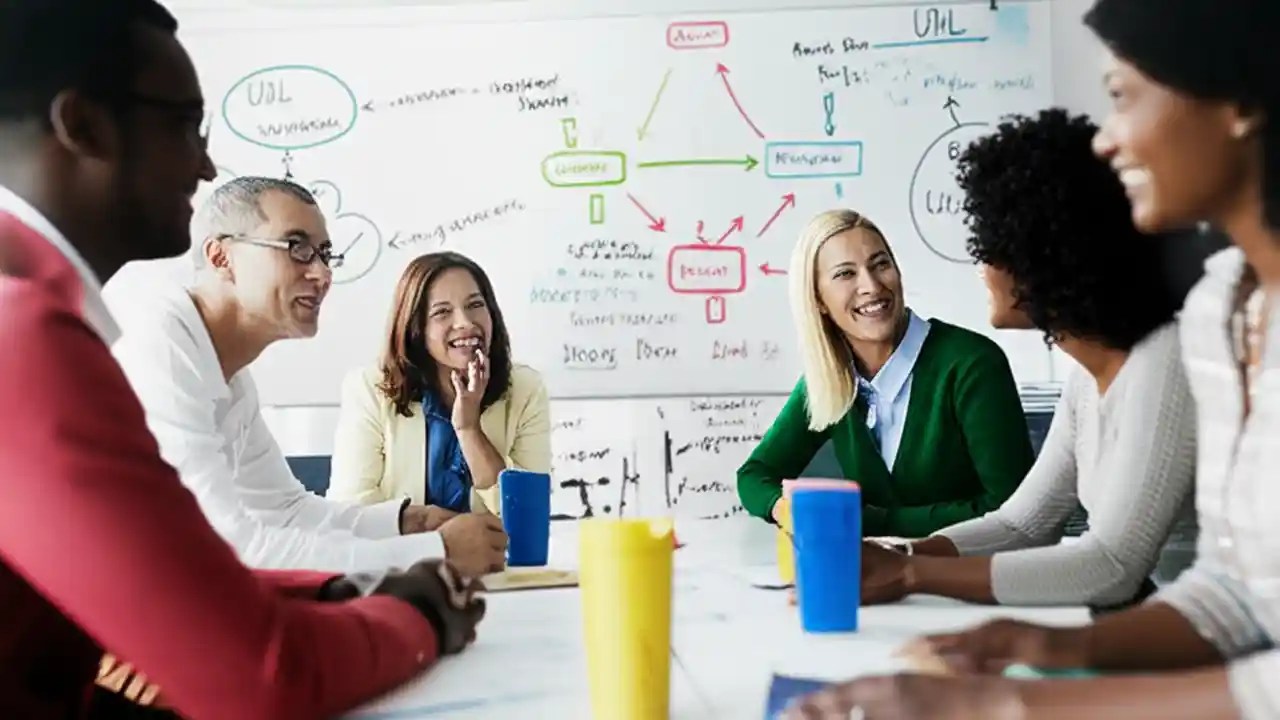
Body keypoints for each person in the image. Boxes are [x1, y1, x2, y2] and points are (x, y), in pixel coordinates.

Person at [785, 0, 1280, 717]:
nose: (1107, 142)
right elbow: (1237, 599)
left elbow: (1115, 567)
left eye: (1121, 98)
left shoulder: (1169, 351)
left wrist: (1004, 701)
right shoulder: (1221, 309)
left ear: (1236, 103)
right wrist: (1040, 646)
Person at [0, 2, 483, 718]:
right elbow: (260, 673)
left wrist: (405, 535)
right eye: (181, 126)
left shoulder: (46, 312)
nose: (205, 163)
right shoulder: (28, 335)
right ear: (84, 127)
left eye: (325, 254)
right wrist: (423, 604)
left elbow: (256, 526)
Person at [858, 108, 1198, 614]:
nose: (981, 267)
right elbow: (1025, 524)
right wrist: (901, 552)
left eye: (991, 246)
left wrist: (912, 574)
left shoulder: (1164, 360)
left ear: (1043, 255)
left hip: (1200, 642)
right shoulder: (1088, 373)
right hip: (1140, 624)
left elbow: (1112, 566)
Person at [104, 176, 508, 579]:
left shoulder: (231, 377)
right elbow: (233, 548)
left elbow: (285, 510)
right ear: (221, 257)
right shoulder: (162, 347)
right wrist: (434, 551)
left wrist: (405, 523)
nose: (322, 274)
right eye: (296, 248)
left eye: (325, 253)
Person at [737, 208, 1034, 538]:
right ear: (818, 299)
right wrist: (785, 508)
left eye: (880, 265)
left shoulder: (972, 364)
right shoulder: (830, 381)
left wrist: (868, 521)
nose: (871, 285)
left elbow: (1012, 511)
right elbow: (754, 475)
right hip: (881, 581)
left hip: (970, 578)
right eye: (845, 274)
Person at [329, 251, 552, 516]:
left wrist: (469, 430)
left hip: (492, 558)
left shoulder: (525, 389)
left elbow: (528, 515)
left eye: (475, 305)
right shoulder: (370, 387)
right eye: (442, 312)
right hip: (398, 556)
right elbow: (351, 510)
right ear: (415, 327)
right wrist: (440, 536)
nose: (465, 323)